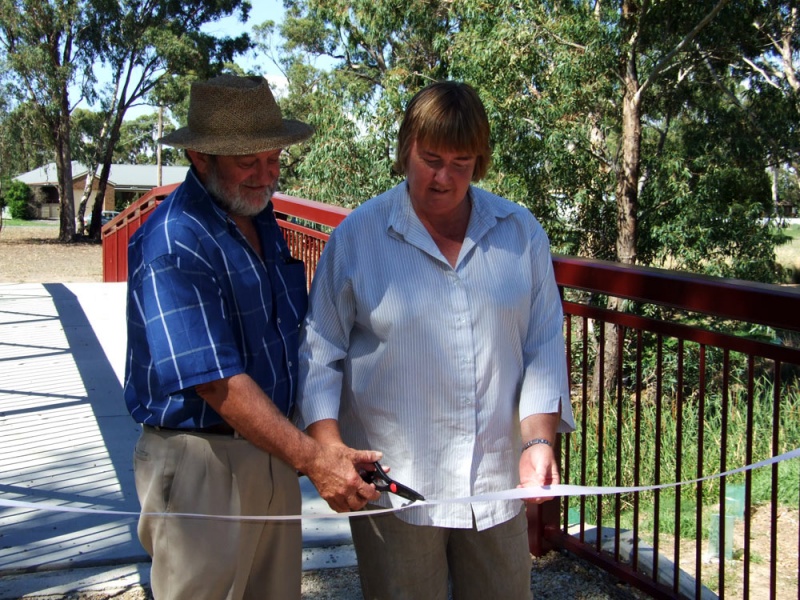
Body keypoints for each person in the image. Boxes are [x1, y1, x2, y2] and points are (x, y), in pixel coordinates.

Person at [297, 81, 576, 600]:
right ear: (406, 148)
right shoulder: (358, 236)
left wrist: (539, 442)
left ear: (481, 162)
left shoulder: (521, 234)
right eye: (430, 159)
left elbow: (543, 346)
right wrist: (330, 451)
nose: (444, 177)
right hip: (396, 483)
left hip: (496, 481)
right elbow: (320, 351)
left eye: (461, 162)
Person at [124, 74, 382, 600]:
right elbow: (215, 383)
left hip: (270, 450)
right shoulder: (175, 239)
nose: (267, 176)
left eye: (273, 159)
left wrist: (319, 447)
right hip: (201, 460)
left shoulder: (257, 214)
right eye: (249, 162)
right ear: (200, 157)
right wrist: (314, 460)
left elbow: (295, 338)